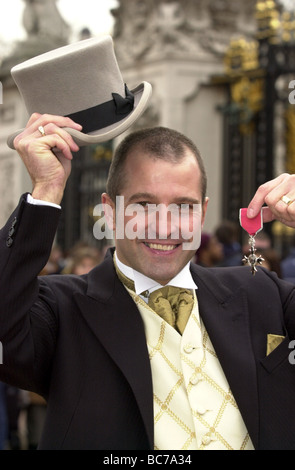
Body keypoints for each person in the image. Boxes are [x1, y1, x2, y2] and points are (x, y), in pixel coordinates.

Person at [2, 115, 295, 450]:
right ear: (109, 212)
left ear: (203, 211)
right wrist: (46, 190)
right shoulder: (62, 310)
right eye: (144, 205)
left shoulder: (259, 291)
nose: (166, 228)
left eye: (184, 206)